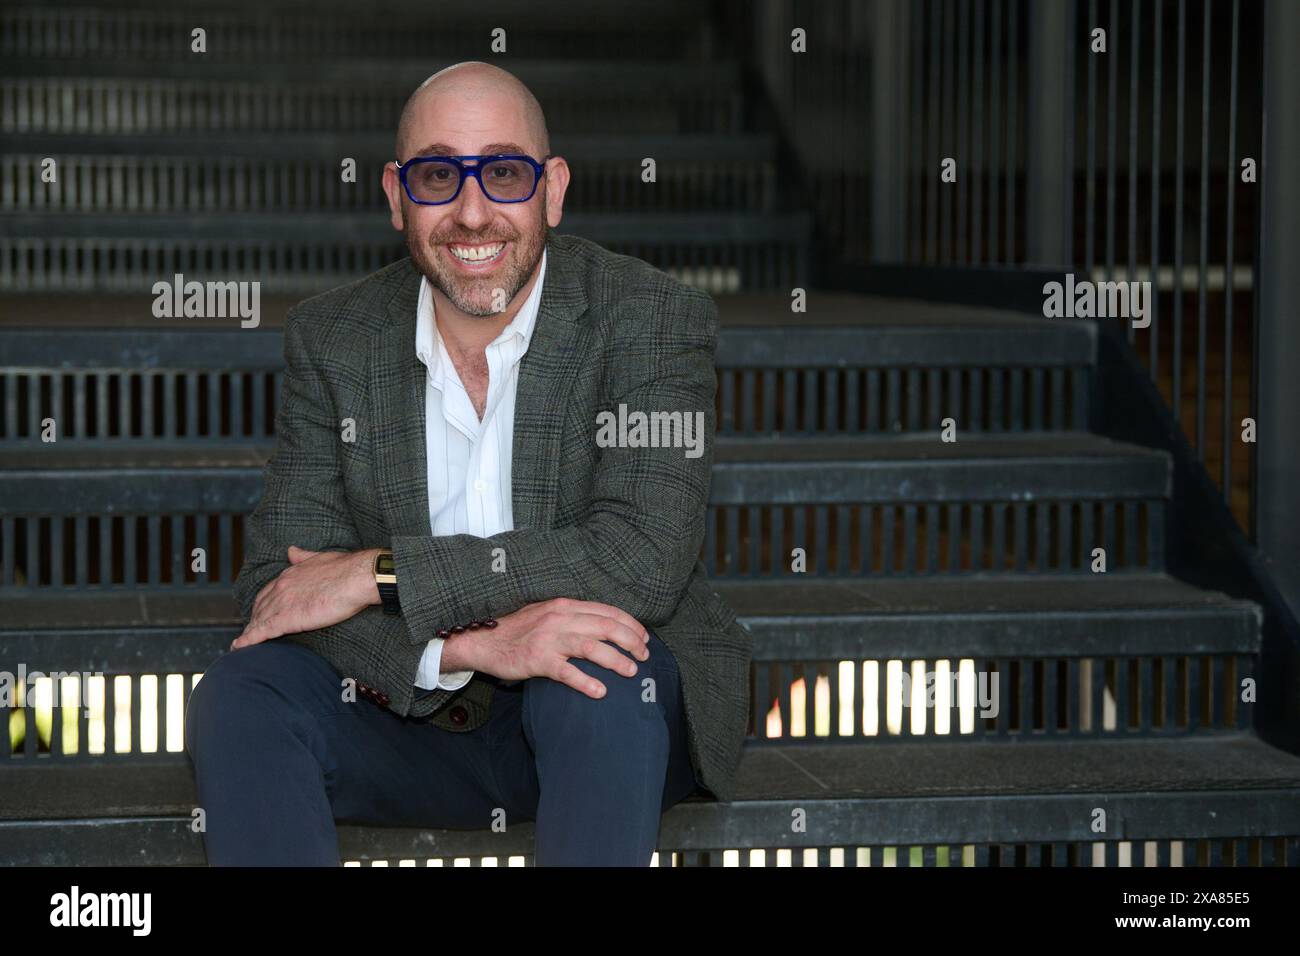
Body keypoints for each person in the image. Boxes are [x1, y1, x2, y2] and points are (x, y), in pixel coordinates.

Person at [184, 61, 751, 866]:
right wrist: (466, 647)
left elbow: (639, 558)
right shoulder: (334, 337)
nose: (473, 212)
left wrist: (380, 575)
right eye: (440, 174)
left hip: (595, 733)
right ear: (395, 195)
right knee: (240, 697)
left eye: (507, 172)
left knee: (599, 664)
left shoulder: (651, 319)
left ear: (553, 190)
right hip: (403, 715)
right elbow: (280, 585)